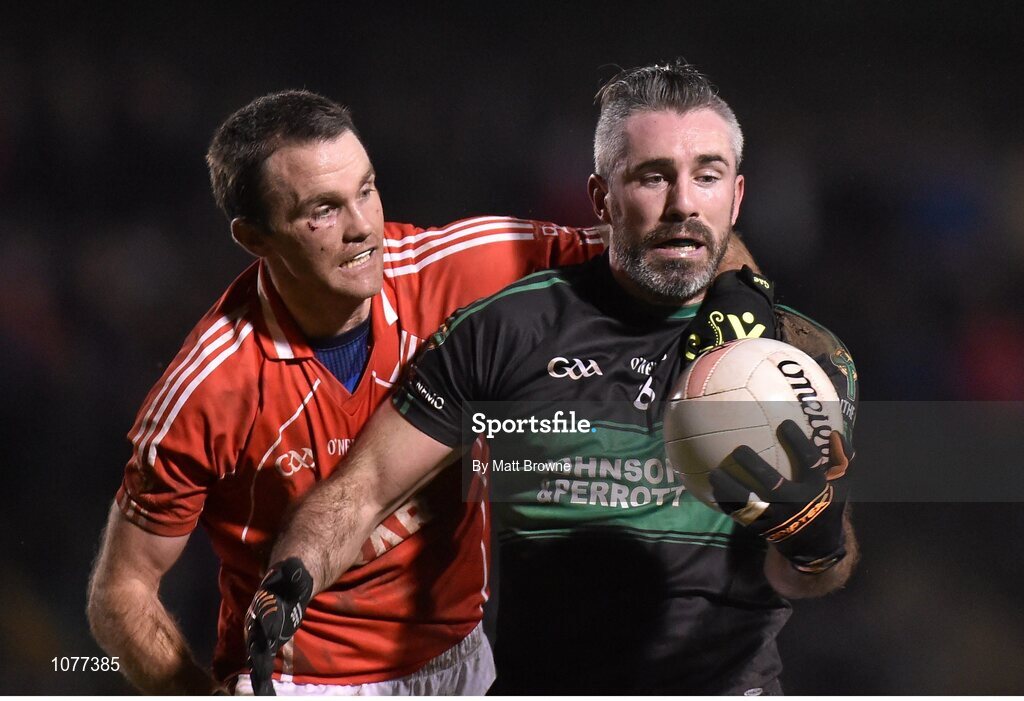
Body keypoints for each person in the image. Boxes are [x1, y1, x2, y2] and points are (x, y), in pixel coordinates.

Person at [255, 60, 860, 694]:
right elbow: (364, 489)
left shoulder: (803, 361)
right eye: (653, 177)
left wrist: (815, 545)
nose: (683, 203)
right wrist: (292, 574)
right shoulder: (505, 332)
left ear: (735, 196)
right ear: (601, 198)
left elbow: (810, 577)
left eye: (706, 177)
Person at [85, 89, 613, 695]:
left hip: (463, 662)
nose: (363, 227)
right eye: (322, 211)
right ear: (254, 238)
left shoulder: (458, 274)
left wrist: (737, 300)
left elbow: (658, 254)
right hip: (305, 684)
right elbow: (120, 591)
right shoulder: (209, 388)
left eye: (366, 189)